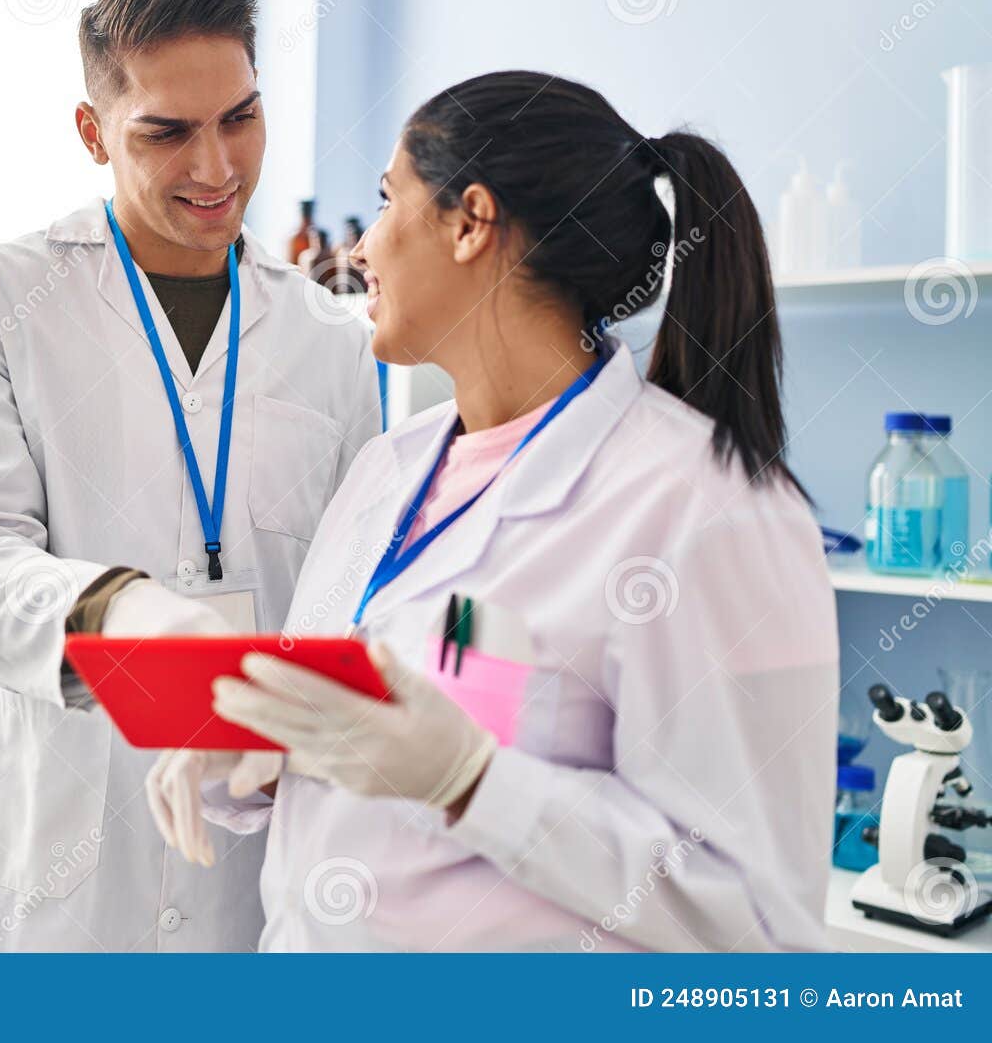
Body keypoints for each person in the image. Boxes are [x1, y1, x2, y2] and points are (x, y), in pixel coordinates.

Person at [145, 71, 839, 952]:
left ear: (471, 221)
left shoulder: (707, 509)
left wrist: (476, 784)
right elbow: (376, 746)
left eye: (390, 202)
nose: (362, 251)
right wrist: (253, 742)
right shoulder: (385, 472)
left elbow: (760, 924)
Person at [0, 0, 381, 952]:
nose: (215, 168)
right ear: (93, 132)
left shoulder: (329, 337)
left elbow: (352, 600)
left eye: (239, 118)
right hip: (47, 841)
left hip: (249, 855)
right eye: (166, 131)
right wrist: (128, 610)